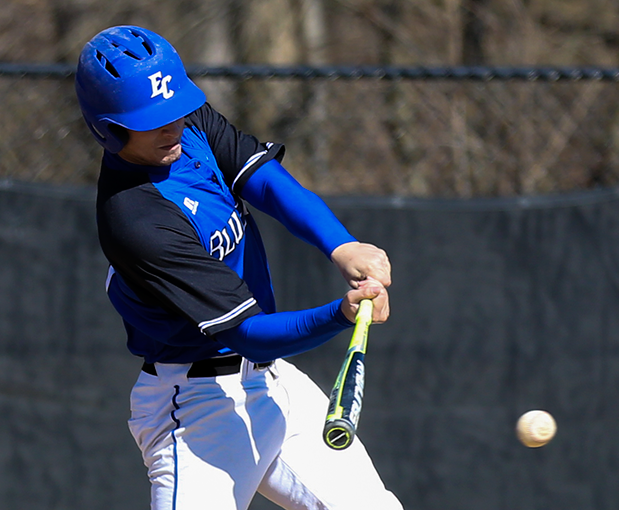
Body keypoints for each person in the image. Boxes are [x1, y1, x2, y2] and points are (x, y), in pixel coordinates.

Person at [76, 25, 403, 510]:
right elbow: (246, 332)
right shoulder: (134, 217)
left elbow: (268, 183)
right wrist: (340, 313)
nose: (174, 127)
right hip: (196, 409)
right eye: (153, 120)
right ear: (109, 128)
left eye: (176, 110)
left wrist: (343, 247)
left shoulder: (187, 125)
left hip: (272, 382)